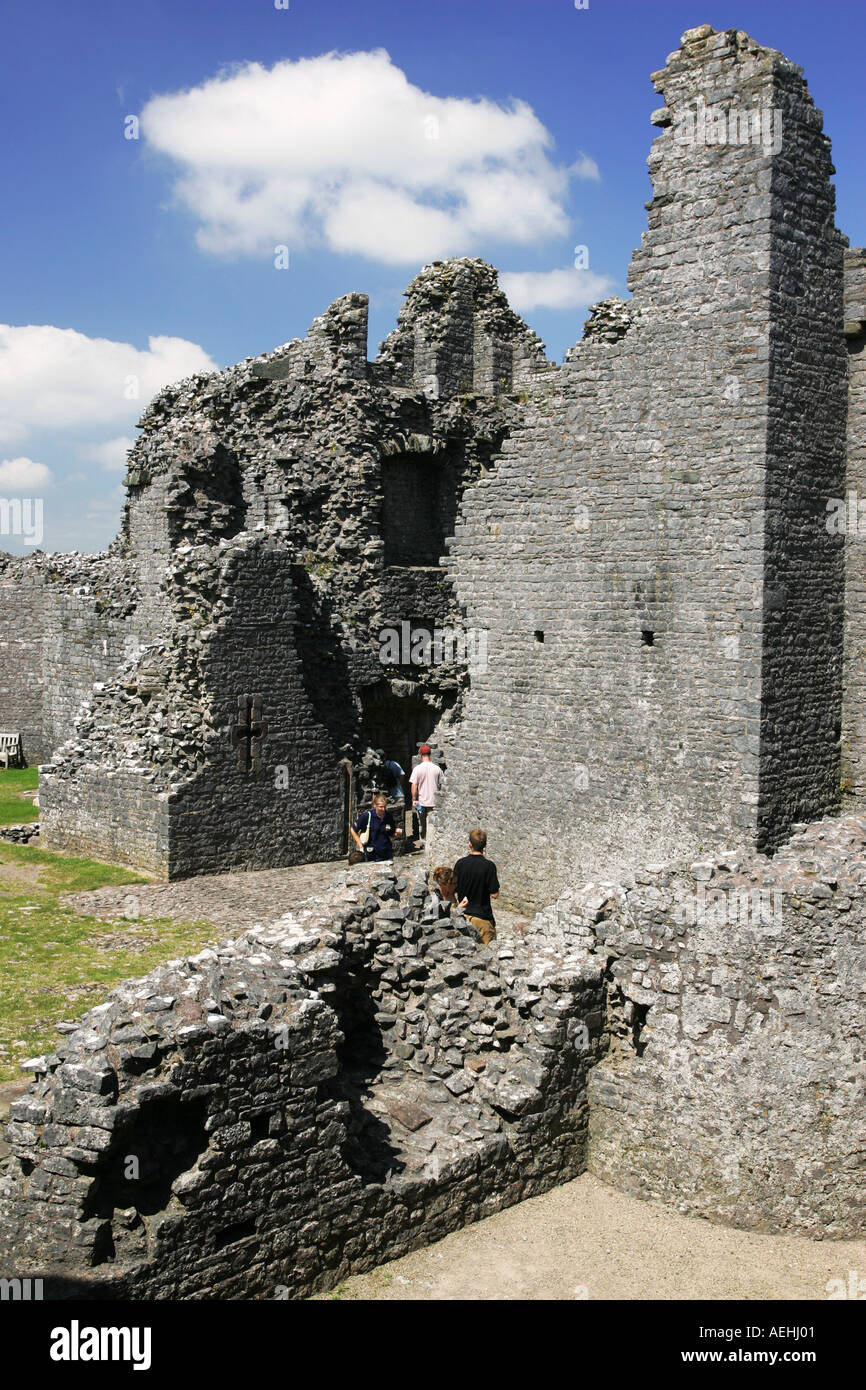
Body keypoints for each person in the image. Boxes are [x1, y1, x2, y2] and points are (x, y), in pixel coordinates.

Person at [453, 828, 500, 945]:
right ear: (484, 845)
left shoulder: (460, 864)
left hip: (462, 916)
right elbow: (495, 895)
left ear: (470, 844)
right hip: (482, 918)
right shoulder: (489, 866)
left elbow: (453, 889)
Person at [350, 793, 403, 862]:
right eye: (381, 807)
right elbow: (353, 830)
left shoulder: (388, 817)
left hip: (386, 853)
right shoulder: (367, 816)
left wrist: (397, 834)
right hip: (372, 855)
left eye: (384, 806)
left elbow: (391, 834)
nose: (383, 809)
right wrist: (361, 846)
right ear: (374, 805)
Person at [409, 745, 442, 840]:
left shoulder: (417, 769)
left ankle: (423, 841)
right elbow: (442, 784)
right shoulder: (437, 769)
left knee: (422, 823)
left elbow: (414, 785)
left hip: (421, 803)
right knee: (433, 823)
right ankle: (432, 842)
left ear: (421, 755)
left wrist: (414, 799)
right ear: (430, 754)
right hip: (434, 802)